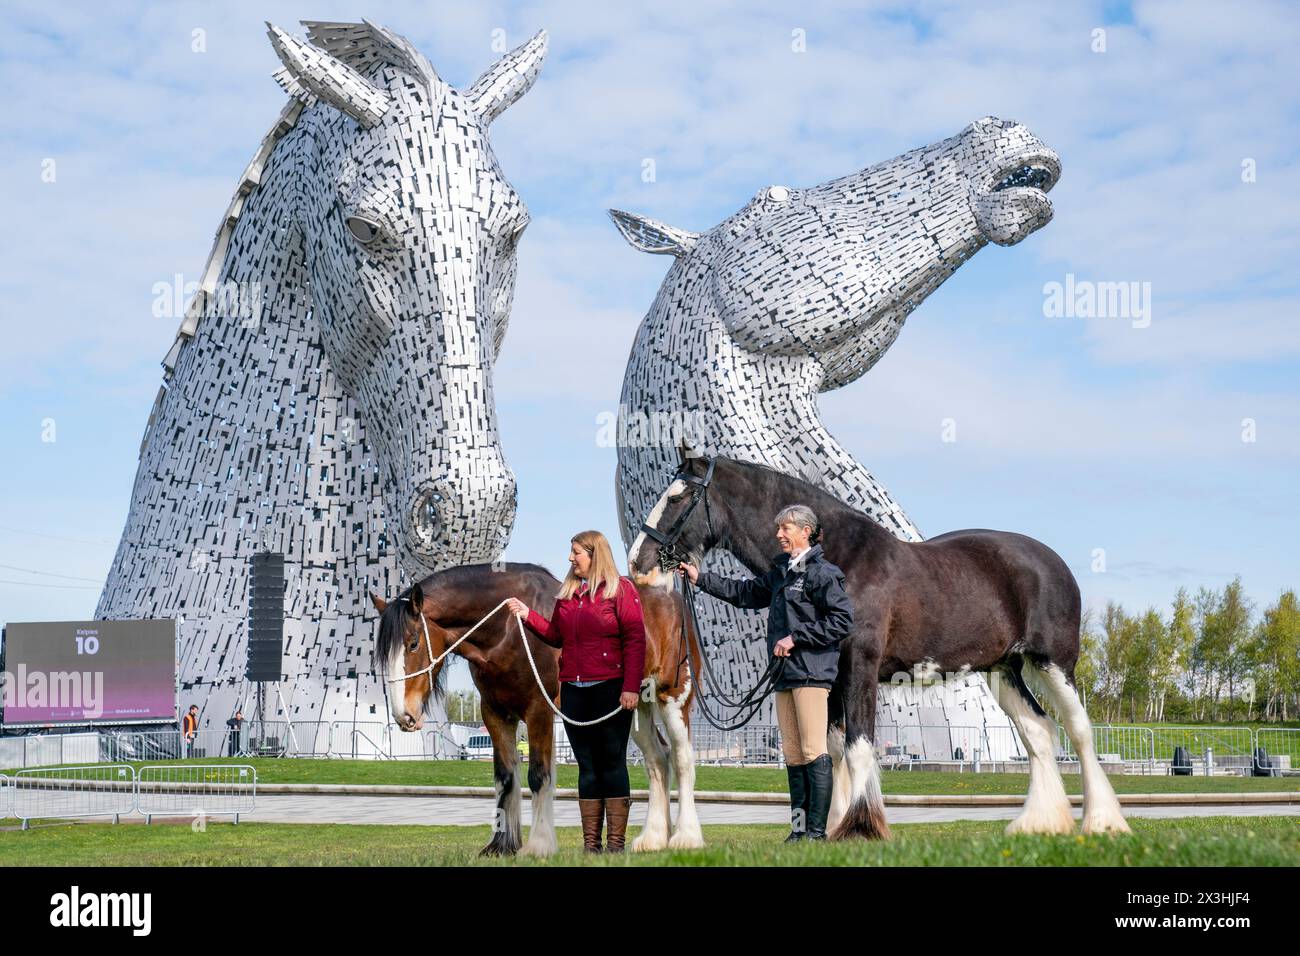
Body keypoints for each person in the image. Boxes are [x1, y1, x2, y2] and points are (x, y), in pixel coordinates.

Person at [677, 503, 853, 841]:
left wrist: (796, 638)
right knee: (792, 754)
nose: (778, 534)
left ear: (806, 531)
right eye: (779, 528)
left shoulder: (823, 573)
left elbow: (842, 620)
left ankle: (816, 832)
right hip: (784, 674)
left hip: (811, 673)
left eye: (785, 528)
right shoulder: (781, 573)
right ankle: (799, 831)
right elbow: (746, 593)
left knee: (813, 751)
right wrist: (702, 579)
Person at [506, 530, 646, 853]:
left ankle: (615, 845)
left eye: (576, 553)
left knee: (612, 763)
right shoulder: (568, 594)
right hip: (574, 692)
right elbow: (556, 635)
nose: (570, 559)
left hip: (611, 691)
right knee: (587, 766)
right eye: (571, 553)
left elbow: (635, 640)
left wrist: (630, 687)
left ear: (594, 555)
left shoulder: (621, 591)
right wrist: (528, 617)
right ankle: (591, 846)